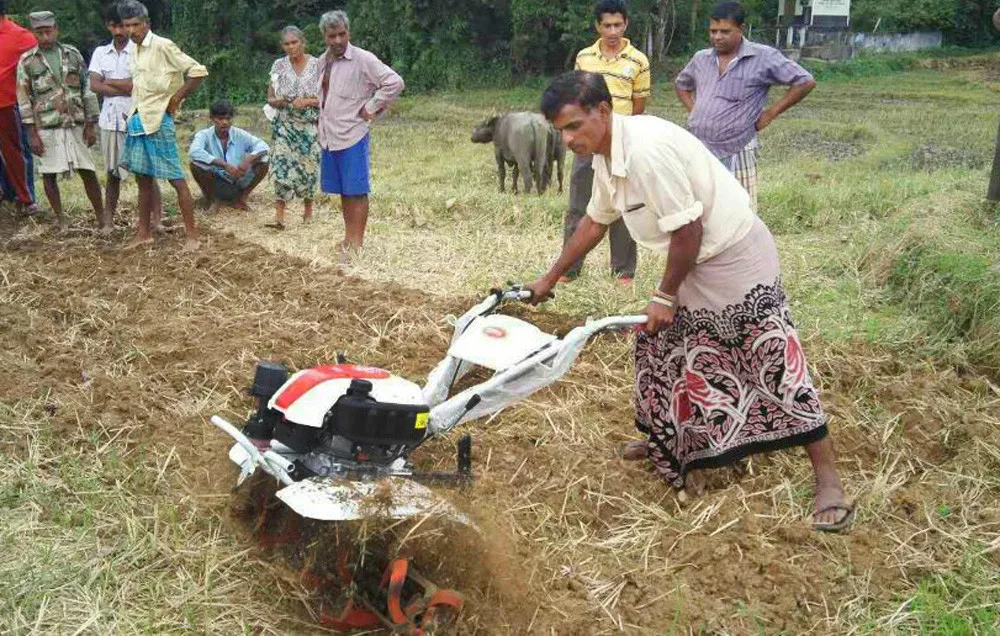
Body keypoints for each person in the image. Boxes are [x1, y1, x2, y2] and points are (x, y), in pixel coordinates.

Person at [527, 71, 854, 533]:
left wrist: (664, 295)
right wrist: (550, 277)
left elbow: (689, 230)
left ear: (603, 110)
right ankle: (668, 440)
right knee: (661, 349)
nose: (568, 139)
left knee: (769, 356)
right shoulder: (606, 154)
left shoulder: (645, 153)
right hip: (691, 259)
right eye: (561, 130)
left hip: (731, 255)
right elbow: (595, 222)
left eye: (575, 126)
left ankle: (828, 480)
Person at [675, 1, 816, 213]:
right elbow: (681, 85)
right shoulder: (701, 59)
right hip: (700, 147)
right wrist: (694, 111)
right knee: (701, 210)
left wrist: (771, 113)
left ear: (741, 29)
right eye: (713, 31)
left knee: (740, 211)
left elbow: (805, 81)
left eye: (725, 31)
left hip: (738, 147)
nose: (717, 37)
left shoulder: (763, 57)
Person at [564, 0, 649, 285]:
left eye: (618, 25)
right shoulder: (584, 57)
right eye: (606, 25)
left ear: (625, 24)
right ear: (597, 26)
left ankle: (623, 271)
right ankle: (570, 268)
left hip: (621, 144)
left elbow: (639, 104)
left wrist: (621, 135)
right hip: (587, 143)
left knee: (624, 207)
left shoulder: (638, 60)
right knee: (579, 204)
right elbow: (576, 99)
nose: (612, 31)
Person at [118, 0, 206, 250]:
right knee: (143, 180)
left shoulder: (163, 45)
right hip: (138, 120)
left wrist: (176, 98)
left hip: (159, 121)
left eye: (136, 25)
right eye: (127, 26)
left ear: (146, 24)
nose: (131, 30)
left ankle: (192, 237)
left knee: (176, 179)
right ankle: (143, 233)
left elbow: (197, 71)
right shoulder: (132, 50)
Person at [317, 10, 404, 255]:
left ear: (348, 32)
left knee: (356, 190)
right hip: (330, 136)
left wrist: (372, 107)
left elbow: (394, 82)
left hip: (352, 134)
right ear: (325, 36)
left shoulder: (363, 59)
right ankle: (348, 238)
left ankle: (357, 243)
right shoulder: (323, 61)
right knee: (344, 191)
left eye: (341, 34)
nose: (337, 40)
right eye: (332, 36)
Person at [16, 11, 105, 230]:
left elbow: (87, 89)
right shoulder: (27, 61)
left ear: (56, 30)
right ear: (34, 34)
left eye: (48, 31)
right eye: (40, 33)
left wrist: (91, 125)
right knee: (49, 172)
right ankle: (61, 219)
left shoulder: (72, 54)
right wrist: (30, 133)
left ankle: (102, 217)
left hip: (76, 122)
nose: (45, 36)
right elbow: (23, 97)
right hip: (47, 125)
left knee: (88, 170)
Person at [88, 3, 162, 230]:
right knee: (113, 173)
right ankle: (108, 223)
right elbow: (94, 85)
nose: (120, 31)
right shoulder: (101, 52)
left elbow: (136, 86)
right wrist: (126, 86)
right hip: (110, 120)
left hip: (138, 117)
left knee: (147, 173)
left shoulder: (140, 50)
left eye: (123, 26)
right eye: (115, 26)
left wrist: (108, 81)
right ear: (108, 27)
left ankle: (157, 221)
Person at [265, 25, 321, 230]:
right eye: (286, 43)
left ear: (303, 42)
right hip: (285, 125)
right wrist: (281, 100)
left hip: (308, 125)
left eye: (294, 42)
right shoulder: (278, 66)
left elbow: (327, 97)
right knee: (280, 165)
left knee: (308, 166)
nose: (290, 47)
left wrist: (307, 102)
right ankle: (279, 216)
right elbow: (270, 98)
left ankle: (308, 212)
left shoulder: (317, 65)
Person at [189, 99, 270, 211]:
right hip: (216, 182)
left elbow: (264, 146)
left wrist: (249, 159)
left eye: (228, 118)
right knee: (195, 164)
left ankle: (241, 199)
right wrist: (224, 165)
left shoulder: (239, 134)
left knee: (264, 160)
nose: (225, 122)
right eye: (220, 119)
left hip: (238, 179)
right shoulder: (204, 135)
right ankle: (212, 200)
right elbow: (194, 151)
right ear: (212, 118)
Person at [0, 1, 38, 216]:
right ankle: (7, 194)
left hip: (7, 103)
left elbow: (37, 61)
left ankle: (26, 198)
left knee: (15, 152)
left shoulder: (20, 36)